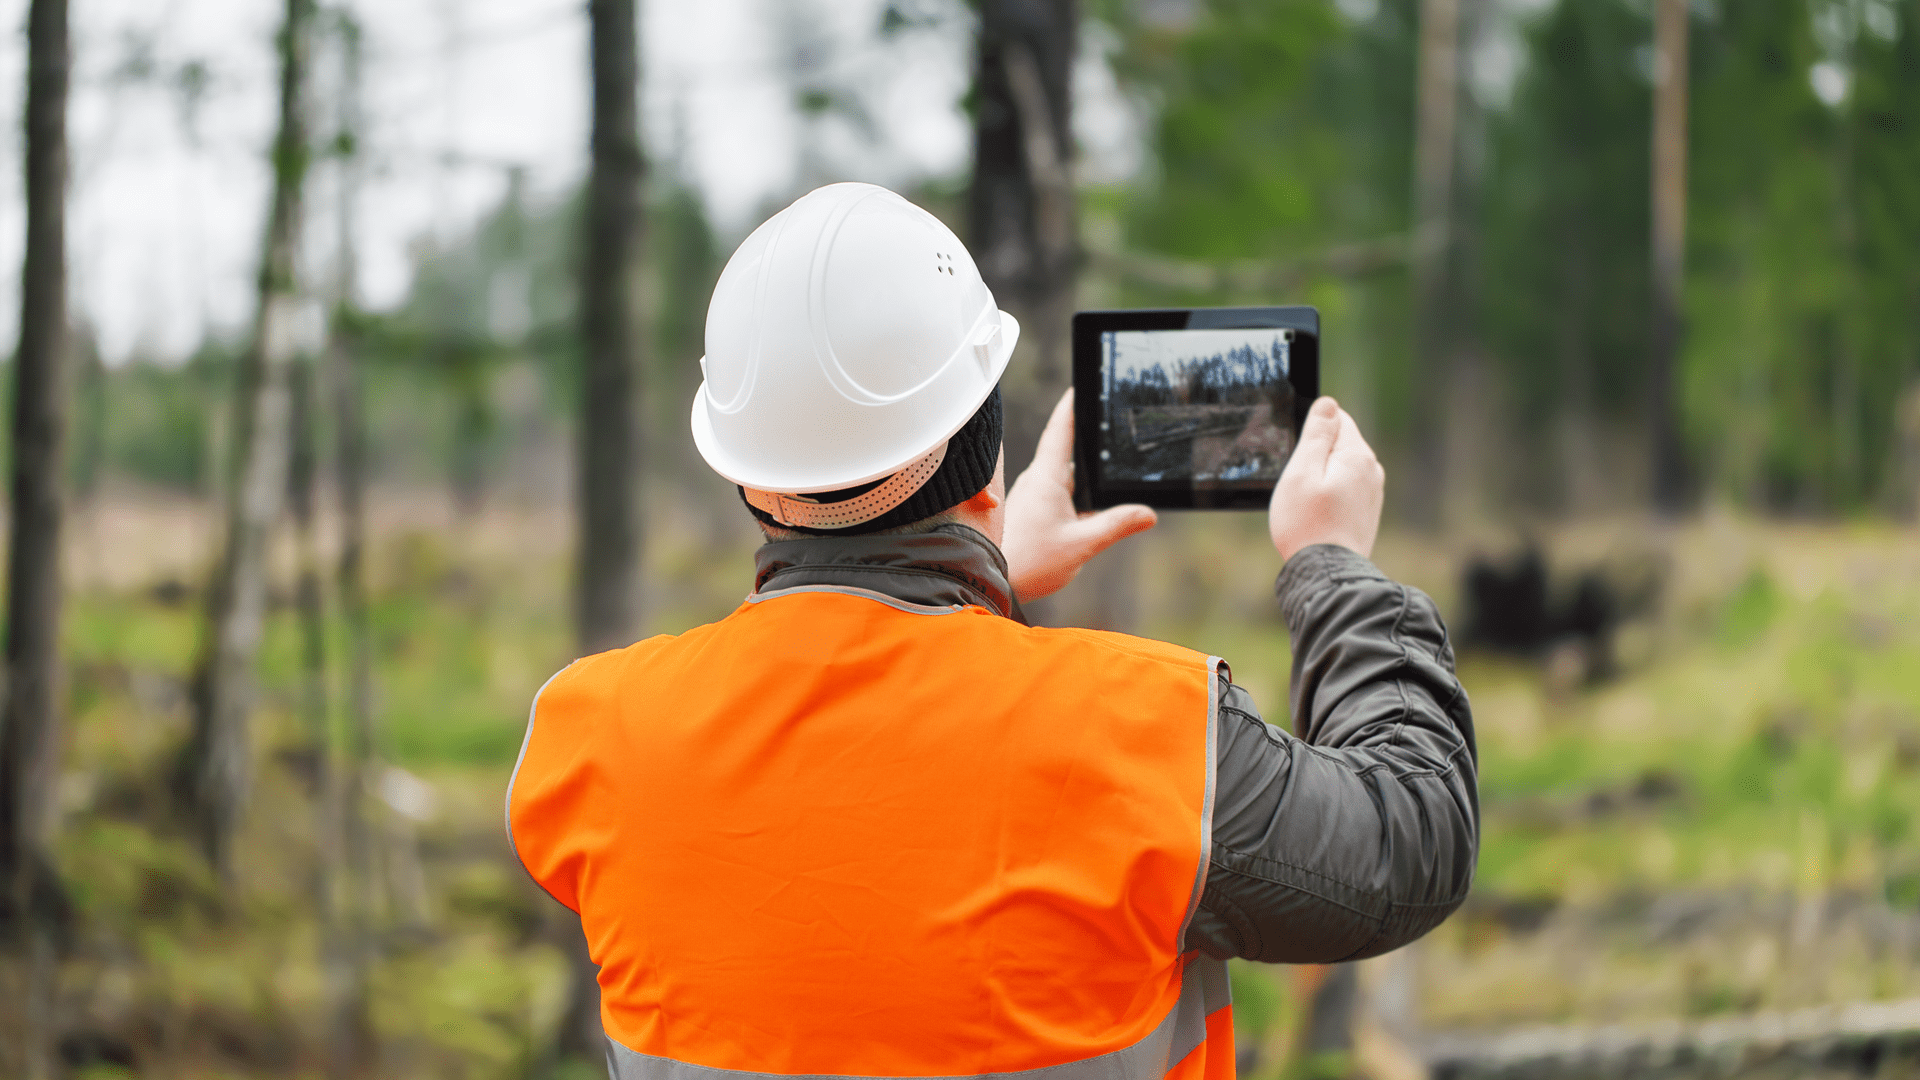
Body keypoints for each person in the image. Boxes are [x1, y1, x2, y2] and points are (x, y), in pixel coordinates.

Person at [508, 183, 1477, 1080]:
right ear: (983, 453)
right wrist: (1331, 564)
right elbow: (1414, 835)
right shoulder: (1147, 737)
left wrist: (981, 578)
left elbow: (860, 803)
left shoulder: (593, 739)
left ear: (753, 483)